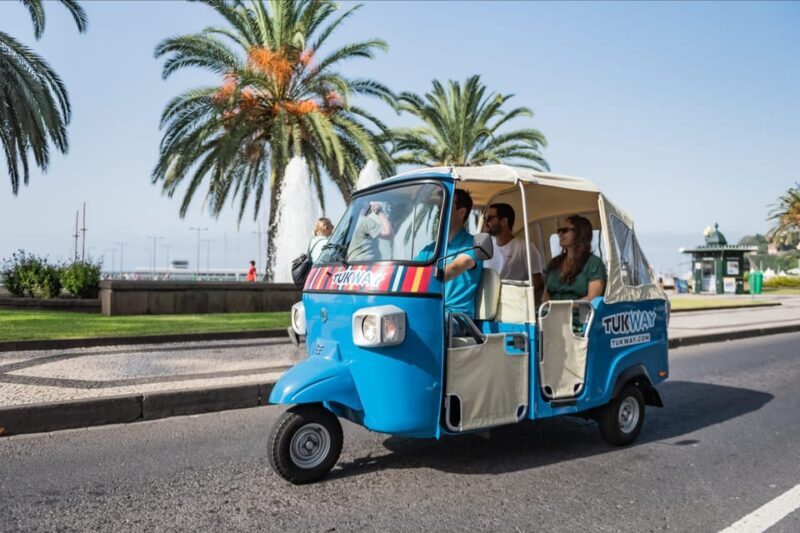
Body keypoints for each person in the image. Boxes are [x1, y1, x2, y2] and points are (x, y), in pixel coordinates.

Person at [417, 189, 483, 319]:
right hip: (430, 310)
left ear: (462, 212)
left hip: (456, 317)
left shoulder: (474, 245)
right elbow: (410, 271)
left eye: (445, 206)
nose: (438, 211)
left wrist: (425, 278)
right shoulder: (430, 249)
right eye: (438, 206)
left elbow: (453, 269)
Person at [542, 214, 606, 305]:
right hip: (548, 314)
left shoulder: (594, 263)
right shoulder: (554, 262)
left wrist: (564, 308)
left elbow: (593, 298)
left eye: (564, 230)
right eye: (559, 230)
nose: (559, 234)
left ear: (580, 233)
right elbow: (545, 295)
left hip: (578, 316)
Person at [482, 203, 545, 293]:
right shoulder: (486, 248)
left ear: (504, 221)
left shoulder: (525, 247)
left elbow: (537, 283)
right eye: (485, 218)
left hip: (514, 302)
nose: (485, 223)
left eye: (489, 219)